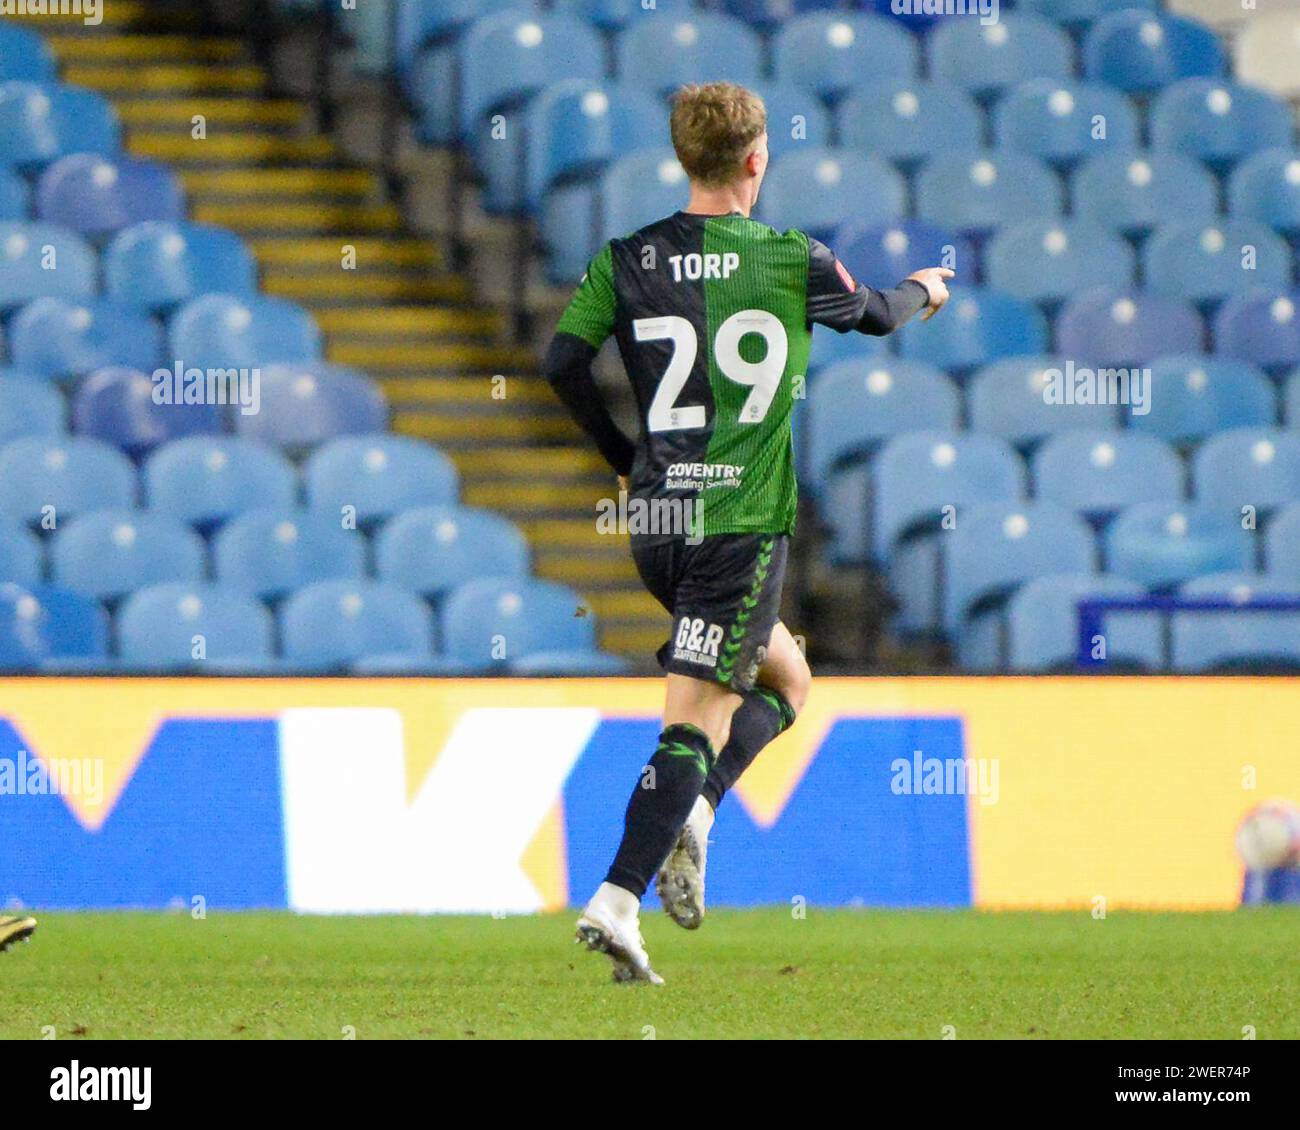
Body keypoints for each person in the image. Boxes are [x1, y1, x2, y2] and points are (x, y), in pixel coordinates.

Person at [544, 82, 953, 983]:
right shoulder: (788, 257)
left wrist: (623, 454)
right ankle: (618, 898)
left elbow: (561, 363)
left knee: (790, 675)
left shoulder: (626, 258)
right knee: (691, 721)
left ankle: (699, 809)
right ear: (757, 159)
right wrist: (922, 288)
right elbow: (878, 314)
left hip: (657, 520)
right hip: (740, 524)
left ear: (684, 159)